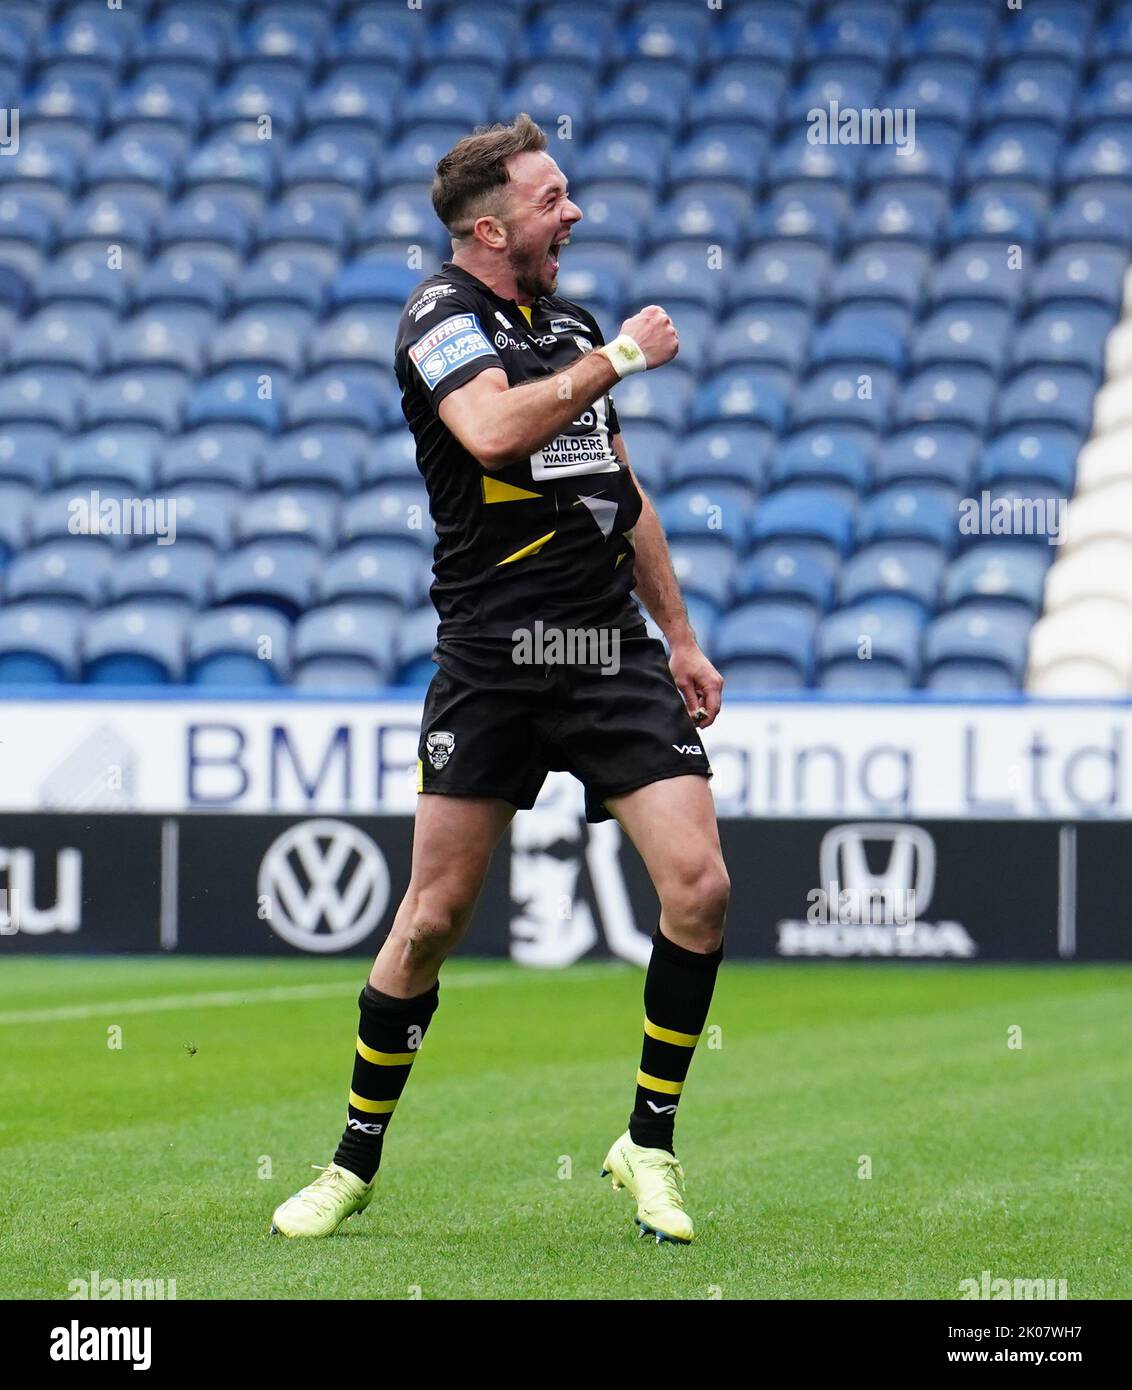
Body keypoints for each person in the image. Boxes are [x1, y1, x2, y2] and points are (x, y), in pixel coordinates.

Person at [271, 114, 729, 1246]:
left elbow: (620, 489)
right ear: (491, 226)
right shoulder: (440, 318)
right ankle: (352, 1161)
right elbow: (485, 431)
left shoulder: (565, 320)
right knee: (430, 919)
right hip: (494, 658)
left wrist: (677, 634)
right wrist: (619, 357)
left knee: (701, 889)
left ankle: (649, 1141)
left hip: (606, 651)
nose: (570, 213)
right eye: (551, 198)